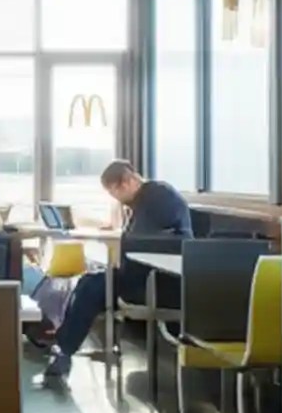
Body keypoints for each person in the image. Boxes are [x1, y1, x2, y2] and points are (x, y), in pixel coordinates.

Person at [40, 159, 192, 382]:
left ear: (127, 182)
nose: (117, 201)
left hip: (157, 282)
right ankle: (64, 345)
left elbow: (142, 243)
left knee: (92, 286)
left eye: (115, 193)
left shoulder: (156, 198)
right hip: (149, 276)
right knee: (89, 282)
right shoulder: (151, 199)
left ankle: (64, 348)